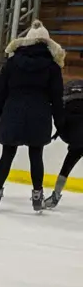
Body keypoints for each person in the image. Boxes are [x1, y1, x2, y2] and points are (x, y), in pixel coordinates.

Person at [0, 20, 65, 212]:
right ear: (47, 43)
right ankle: (37, 196)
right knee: (36, 155)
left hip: (13, 111)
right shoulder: (52, 67)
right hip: (39, 114)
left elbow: (0, 94)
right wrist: (60, 123)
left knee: (7, 153)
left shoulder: (12, 63)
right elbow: (57, 98)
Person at [44, 79, 83, 209]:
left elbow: (60, 123)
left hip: (76, 141)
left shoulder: (65, 108)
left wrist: (62, 135)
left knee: (66, 167)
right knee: (66, 167)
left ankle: (55, 195)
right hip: (76, 140)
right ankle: (55, 196)